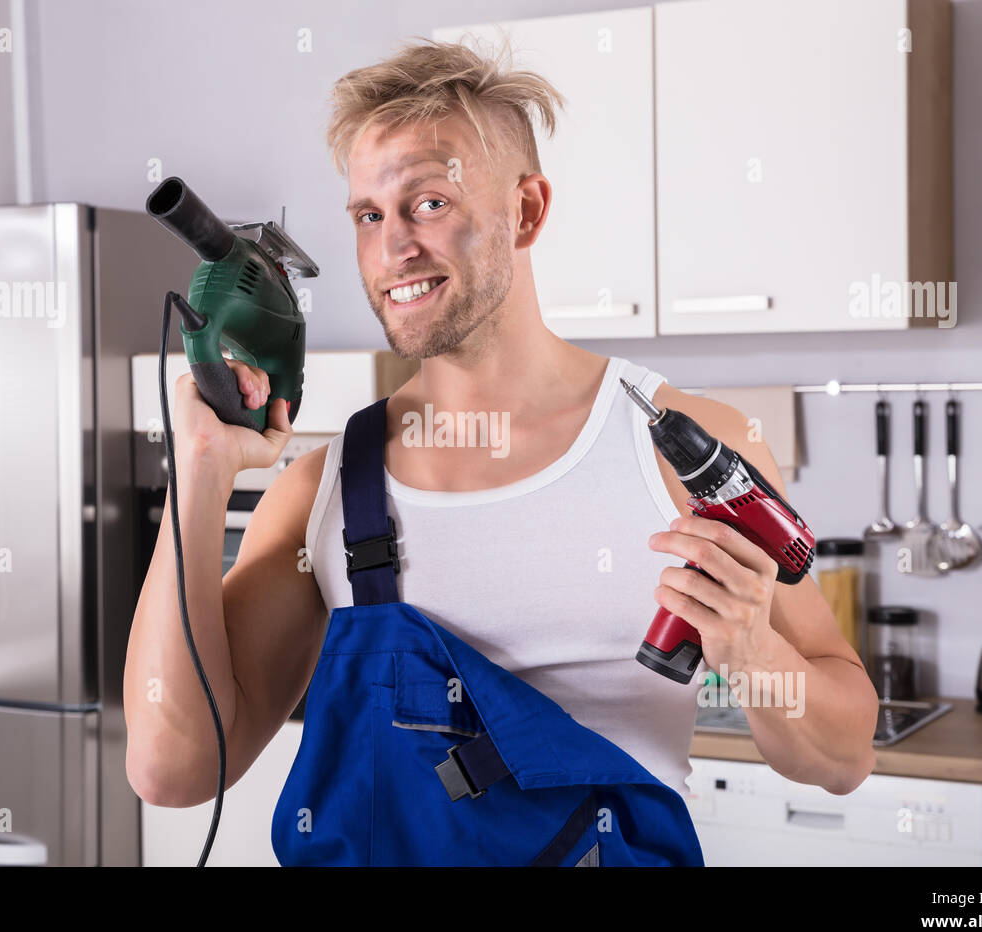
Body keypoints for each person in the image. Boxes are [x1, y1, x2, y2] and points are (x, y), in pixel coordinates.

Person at [124, 37, 878, 852]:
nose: (393, 249)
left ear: (526, 210)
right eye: (369, 216)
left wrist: (755, 649)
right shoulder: (326, 490)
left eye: (429, 203)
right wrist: (197, 472)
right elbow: (173, 772)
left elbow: (842, 757)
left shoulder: (687, 455)